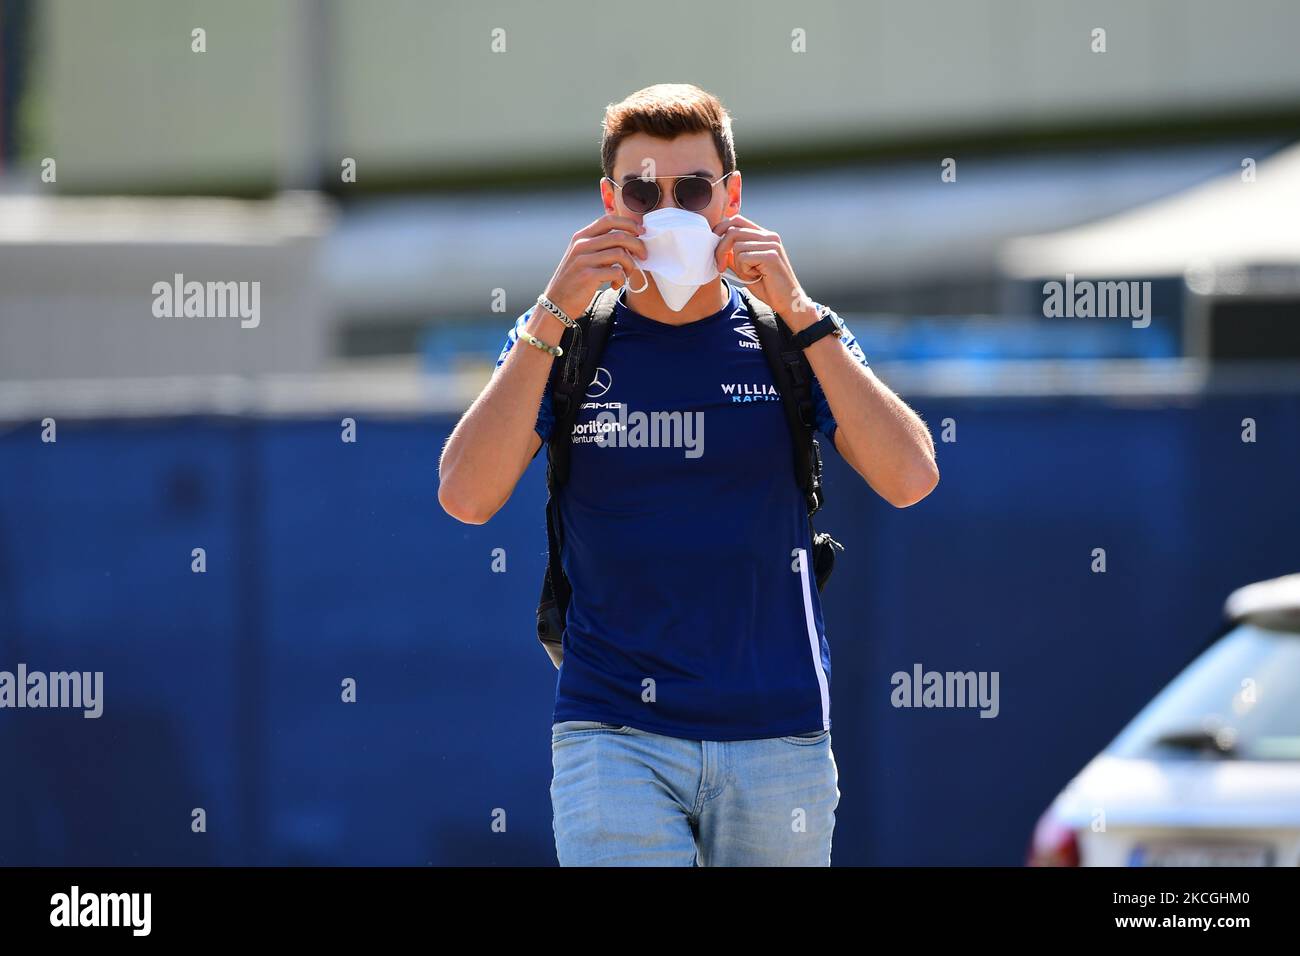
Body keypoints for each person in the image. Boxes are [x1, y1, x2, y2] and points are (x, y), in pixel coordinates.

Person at [438, 83, 938, 865]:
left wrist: (800, 311)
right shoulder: (565, 339)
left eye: (692, 190)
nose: (666, 212)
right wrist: (551, 310)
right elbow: (466, 496)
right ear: (610, 202)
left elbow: (911, 477)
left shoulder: (788, 336)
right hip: (613, 731)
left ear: (731, 199)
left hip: (779, 733)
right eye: (641, 193)